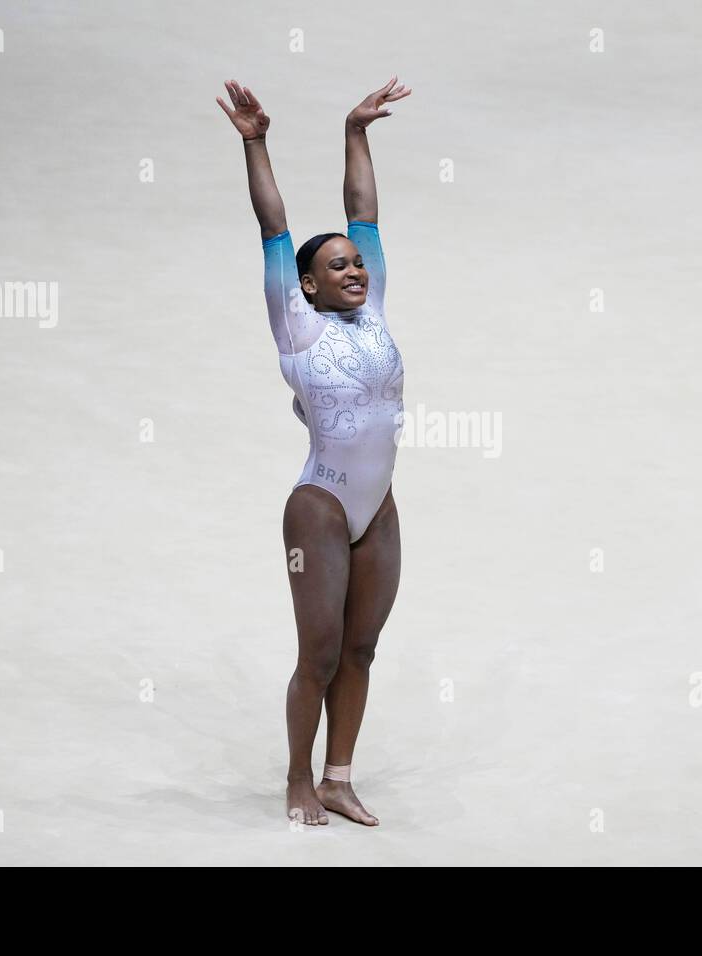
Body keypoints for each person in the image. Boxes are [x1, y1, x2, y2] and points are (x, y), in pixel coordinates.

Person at [218, 76, 412, 826]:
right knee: (321, 655)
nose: (355, 270)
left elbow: (364, 214)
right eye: (338, 267)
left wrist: (354, 130)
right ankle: (297, 779)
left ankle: (338, 775)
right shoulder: (297, 325)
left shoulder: (375, 312)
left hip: (380, 506)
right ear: (305, 285)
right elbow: (273, 226)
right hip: (323, 506)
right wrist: (256, 140)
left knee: (361, 652)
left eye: (357, 264)